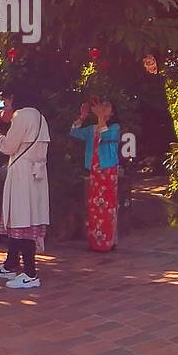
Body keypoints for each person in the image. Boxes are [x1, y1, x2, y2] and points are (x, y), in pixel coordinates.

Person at [0, 100, 50, 289]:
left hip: (22, 176)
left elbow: (8, 147)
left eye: (6, 102)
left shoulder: (22, 116)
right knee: (25, 221)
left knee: (22, 222)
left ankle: (30, 273)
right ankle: (12, 264)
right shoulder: (39, 116)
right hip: (36, 176)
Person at [71, 96, 125, 253]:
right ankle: (95, 241)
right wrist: (82, 117)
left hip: (108, 170)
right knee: (94, 207)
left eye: (107, 106)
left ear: (113, 111)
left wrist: (100, 116)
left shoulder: (115, 128)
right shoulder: (92, 128)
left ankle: (108, 241)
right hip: (95, 171)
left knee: (108, 206)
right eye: (103, 105)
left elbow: (106, 135)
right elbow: (74, 132)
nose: (103, 107)